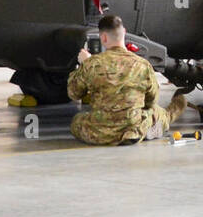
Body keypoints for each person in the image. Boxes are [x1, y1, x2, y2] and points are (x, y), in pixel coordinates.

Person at [67, 14, 189, 146]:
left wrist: (84, 64)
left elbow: (73, 93)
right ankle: (172, 111)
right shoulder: (143, 64)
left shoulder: (92, 64)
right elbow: (151, 101)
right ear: (124, 33)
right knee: (157, 112)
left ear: (103, 37)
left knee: (77, 120)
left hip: (99, 133)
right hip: (133, 131)